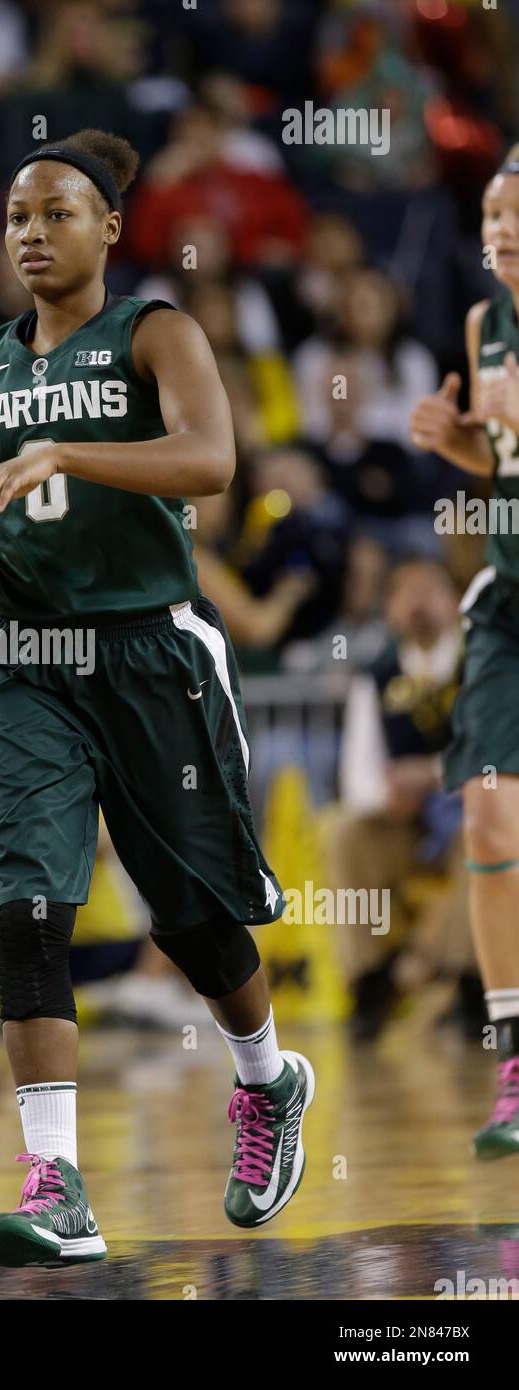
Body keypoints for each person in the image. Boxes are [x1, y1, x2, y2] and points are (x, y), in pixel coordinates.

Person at [0, 127, 315, 1266]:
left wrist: (69, 451)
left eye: (56, 214)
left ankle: (267, 1079)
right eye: (15, 218)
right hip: (25, 659)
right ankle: (56, 1182)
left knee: (194, 918)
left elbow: (210, 462)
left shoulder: (157, 331)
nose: (32, 235)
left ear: (107, 227)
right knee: (24, 911)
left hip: (151, 650)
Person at [409, 144, 519, 1158]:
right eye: (489, 214)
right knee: (486, 808)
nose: (499, 229)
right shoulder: (487, 324)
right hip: (509, 602)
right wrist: (453, 438)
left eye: (514, 214)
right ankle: (515, 1057)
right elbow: (499, 458)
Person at [327, 557, 473, 1040]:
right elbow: (358, 775)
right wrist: (388, 796)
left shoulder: (483, 664)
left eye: (429, 589)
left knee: (484, 838)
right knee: (345, 835)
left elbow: (498, 754)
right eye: (404, 593)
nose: (418, 604)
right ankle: (371, 979)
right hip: (407, 823)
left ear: (454, 600)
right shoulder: (378, 676)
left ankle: (459, 978)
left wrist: (432, 776)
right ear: (388, 609)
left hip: (470, 810)